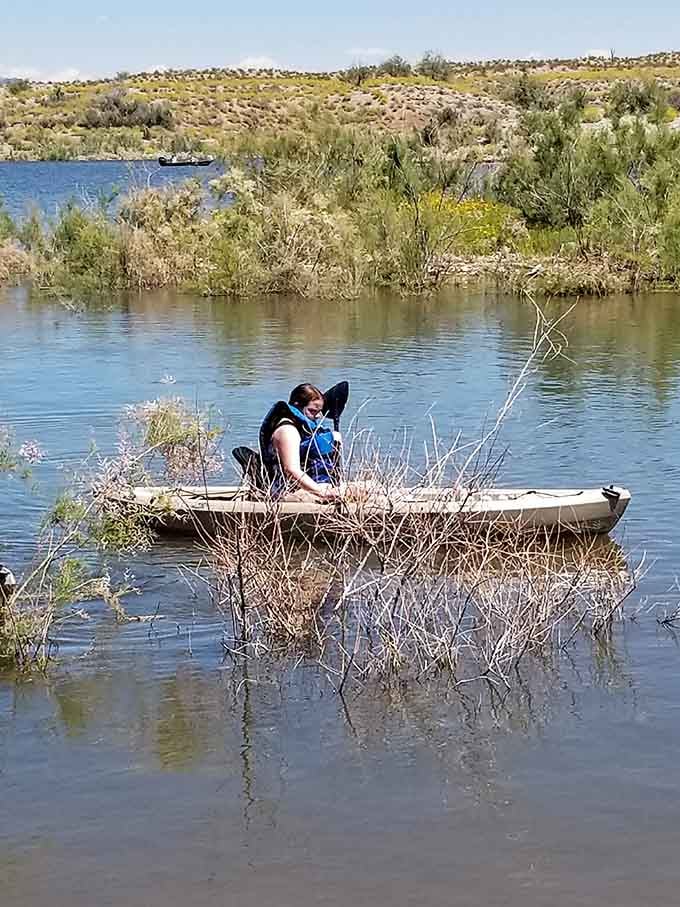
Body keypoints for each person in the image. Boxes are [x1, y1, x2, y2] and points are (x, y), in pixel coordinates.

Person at [259, 383, 341, 502]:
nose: (318, 416)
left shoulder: (301, 428)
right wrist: (322, 493)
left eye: (319, 411)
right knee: (362, 491)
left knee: (371, 486)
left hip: (310, 490)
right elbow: (291, 471)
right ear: (297, 406)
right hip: (288, 493)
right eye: (312, 411)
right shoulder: (287, 431)